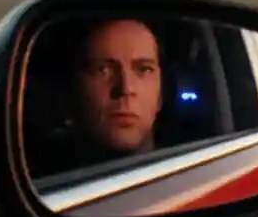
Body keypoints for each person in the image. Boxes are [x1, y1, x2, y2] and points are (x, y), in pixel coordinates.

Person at [26, 16, 165, 179]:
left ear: (161, 96)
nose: (126, 88)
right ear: (68, 98)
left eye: (144, 70)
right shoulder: (43, 178)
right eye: (102, 70)